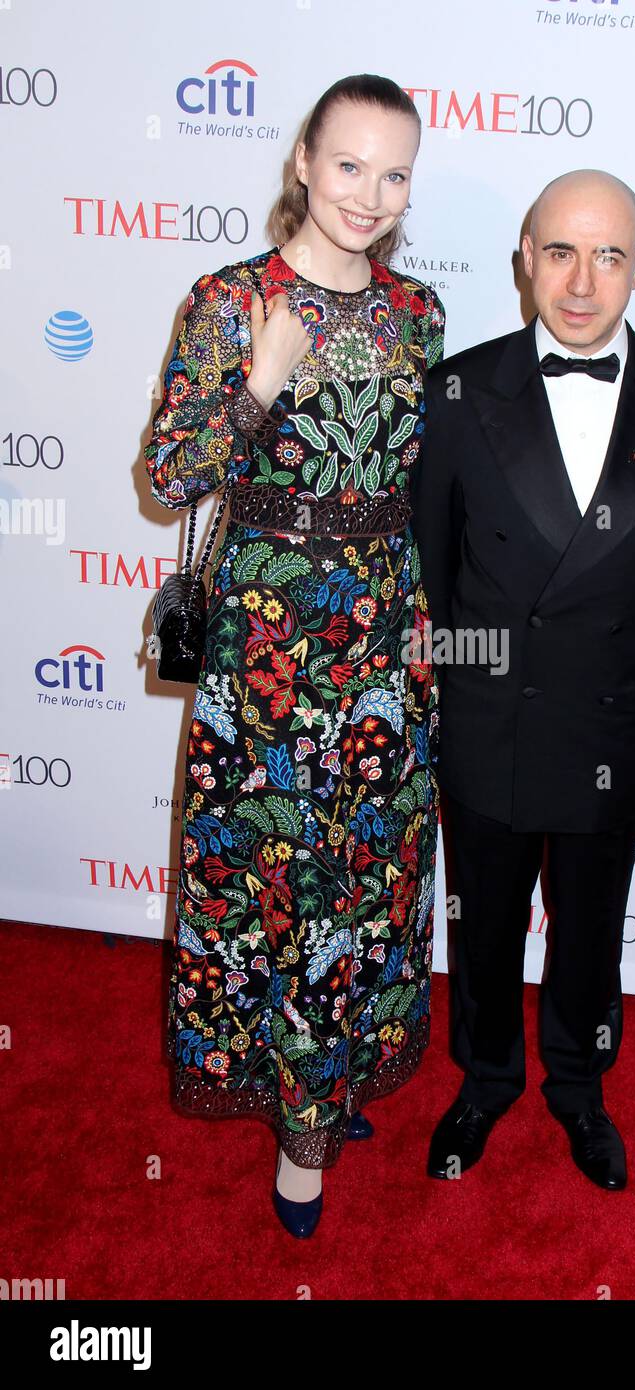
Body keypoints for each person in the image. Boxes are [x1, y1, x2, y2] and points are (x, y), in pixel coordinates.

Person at [144, 74, 445, 1237]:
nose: (369, 194)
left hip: (381, 634)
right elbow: (171, 476)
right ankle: (297, 1134)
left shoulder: (417, 313)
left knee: (368, 877)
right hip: (264, 645)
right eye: (349, 165)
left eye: (394, 171)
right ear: (303, 166)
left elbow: (428, 487)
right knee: (273, 880)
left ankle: (327, 1080)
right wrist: (259, 382)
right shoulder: (228, 299)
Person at [412, 169, 635, 1192]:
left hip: (616, 726)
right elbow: (435, 576)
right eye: (561, 251)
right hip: (491, 720)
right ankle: (484, 1078)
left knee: (591, 927)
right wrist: (455, 692)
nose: (583, 281)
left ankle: (577, 1085)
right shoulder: (458, 390)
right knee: (483, 919)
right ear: (524, 256)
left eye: (608, 255)